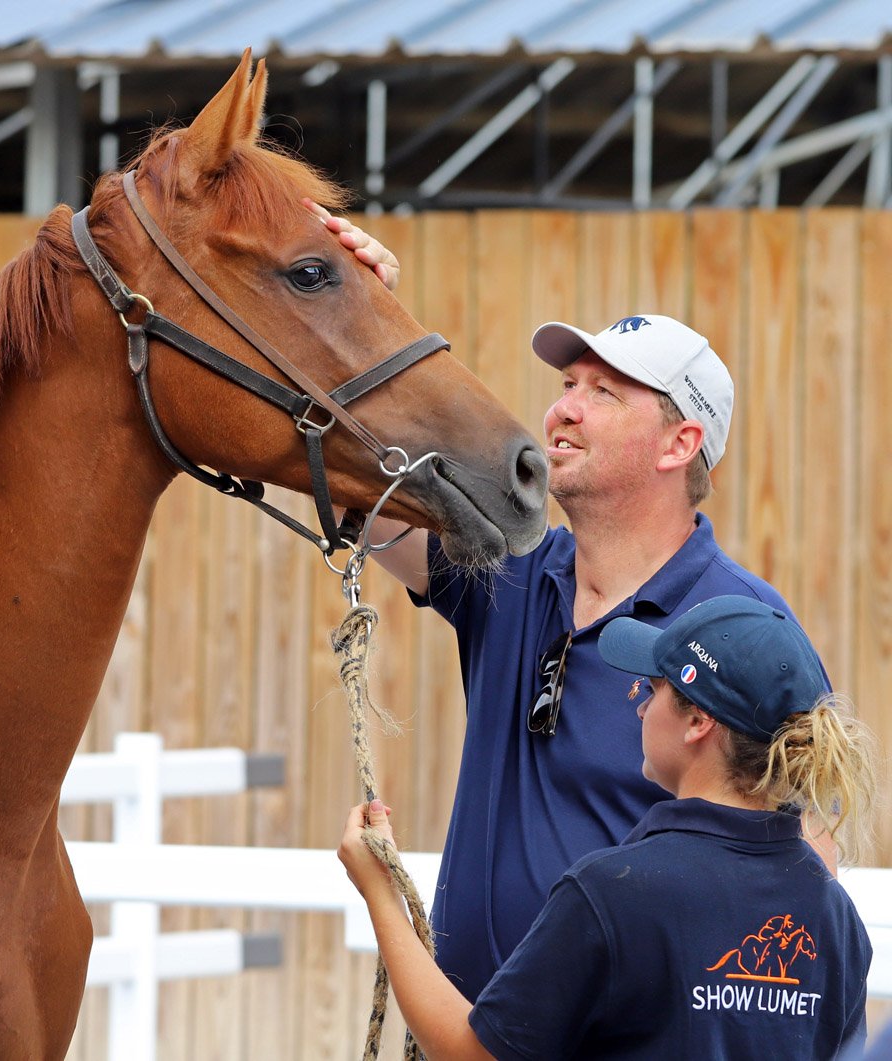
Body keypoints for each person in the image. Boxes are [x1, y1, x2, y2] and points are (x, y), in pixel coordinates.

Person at [311, 203, 835, 1000]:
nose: (562, 408)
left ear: (679, 443)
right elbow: (357, 488)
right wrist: (352, 308)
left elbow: (808, 869)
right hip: (473, 1037)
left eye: (605, 392)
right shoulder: (512, 571)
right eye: (566, 384)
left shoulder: (744, 628)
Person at [339, 594, 877, 1060]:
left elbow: (472, 1054)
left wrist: (383, 896)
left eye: (652, 687)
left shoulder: (615, 893)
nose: (639, 706)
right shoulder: (836, 918)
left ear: (697, 721)